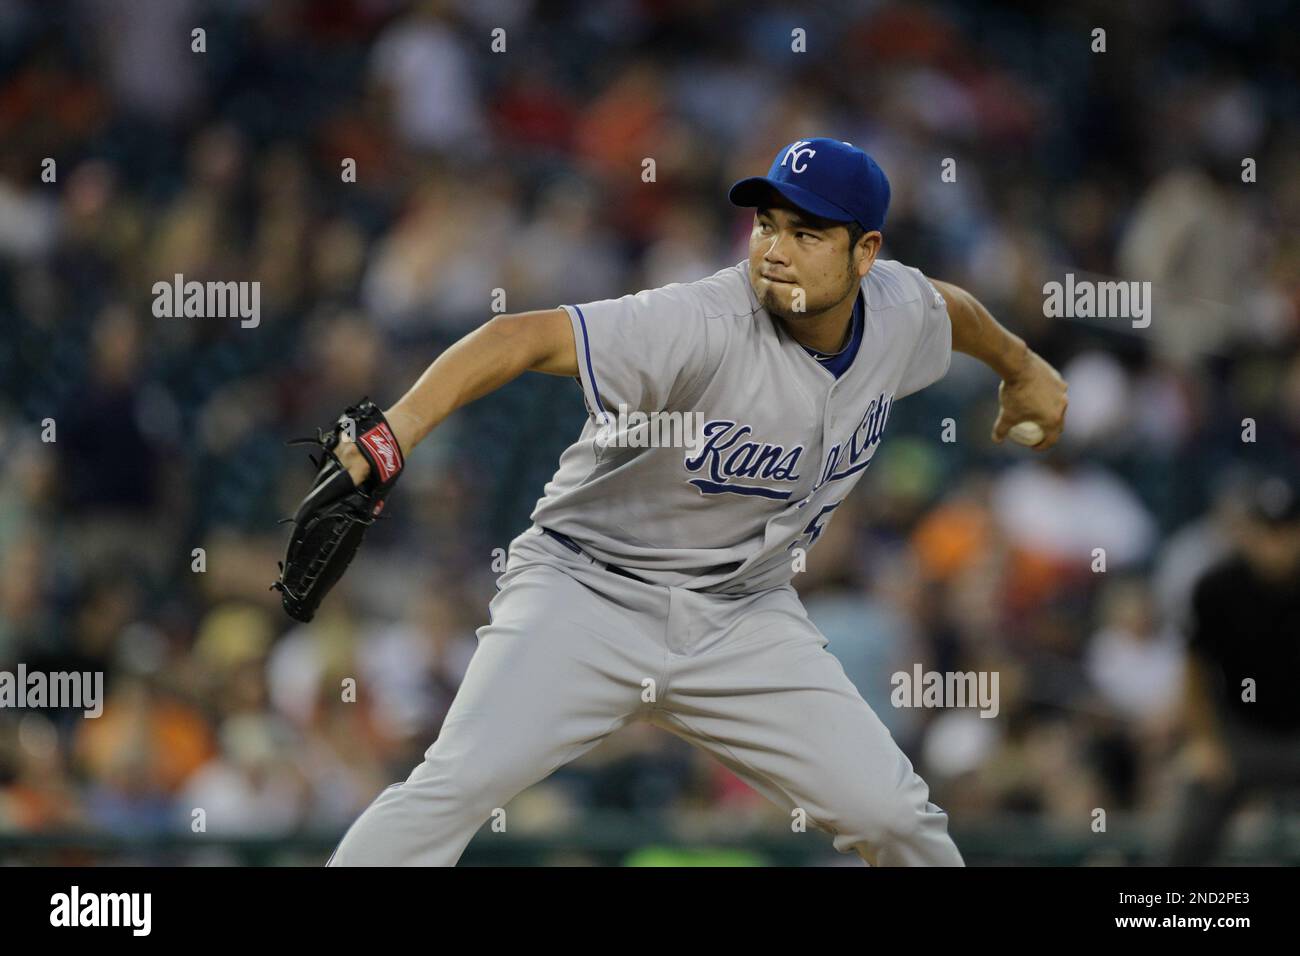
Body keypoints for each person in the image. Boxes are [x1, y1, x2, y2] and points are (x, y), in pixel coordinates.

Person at [325, 137, 1068, 866]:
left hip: (744, 615)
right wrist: (399, 433)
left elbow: (955, 311)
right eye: (767, 224)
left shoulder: (898, 309)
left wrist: (1023, 366)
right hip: (586, 593)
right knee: (454, 789)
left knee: (898, 820)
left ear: (865, 253)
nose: (774, 248)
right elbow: (515, 336)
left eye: (805, 232)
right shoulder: (696, 321)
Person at [1167, 473, 1300, 864]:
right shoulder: (1218, 587)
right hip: (1239, 733)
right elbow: (1196, 669)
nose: (1276, 544)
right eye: (1266, 531)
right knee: (1192, 825)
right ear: (1248, 532)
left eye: (1287, 531)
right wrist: (1203, 741)